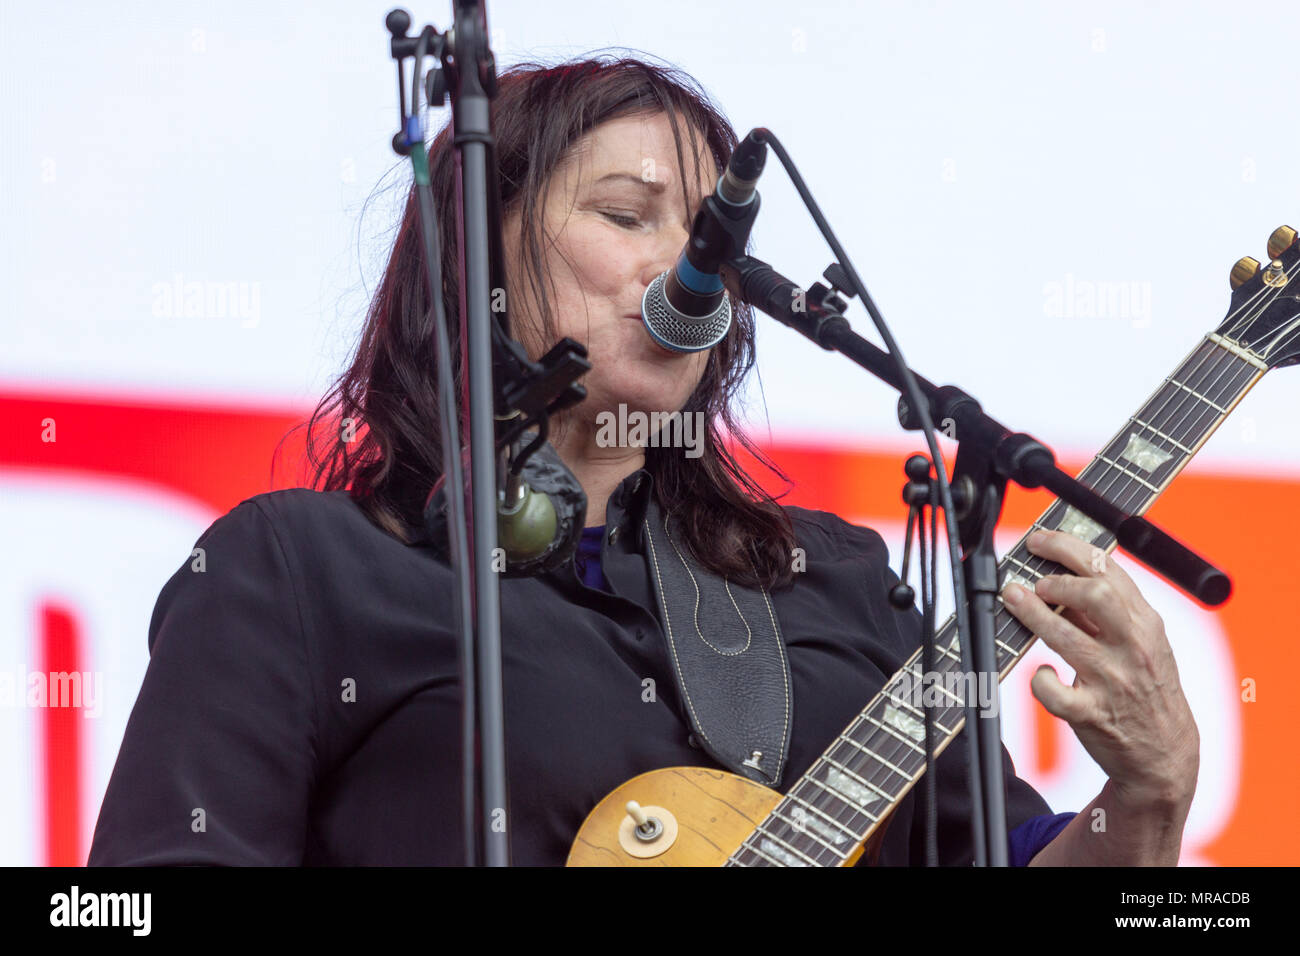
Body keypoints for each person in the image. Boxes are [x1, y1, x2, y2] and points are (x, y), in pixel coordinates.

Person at [87, 55, 1198, 867]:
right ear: (480, 247)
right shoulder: (298, 568)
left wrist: (1148, 792)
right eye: (628, 214)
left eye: (715, 237)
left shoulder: (839, 582)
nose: (687, 268)